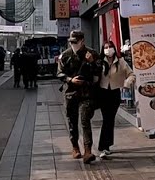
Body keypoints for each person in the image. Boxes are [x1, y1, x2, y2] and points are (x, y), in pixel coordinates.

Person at [56, 30, 102, 163]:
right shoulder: (65, 55)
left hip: (87, 93)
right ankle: (75, 147)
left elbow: (99, 71)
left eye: (76, 42)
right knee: (72, 122)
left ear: (82, 41)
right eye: (71, 42)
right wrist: (70, 80)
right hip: (70, 93)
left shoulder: (92, 53)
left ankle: (88, 151)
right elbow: (59, 74)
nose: (73, 45)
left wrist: (92, 62)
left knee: (85, 120)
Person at [97, 42, 132, 158]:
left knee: (110, 119)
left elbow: (131, 74)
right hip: (103, 93)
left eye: (110, 47)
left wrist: (127, 83)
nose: (108, 50)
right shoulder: (100, 62)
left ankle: (106, 146)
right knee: (107, 119)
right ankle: (104, 146)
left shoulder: (121, 62)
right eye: (106, 48)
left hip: (115, 93)